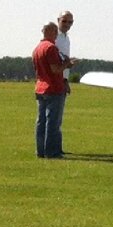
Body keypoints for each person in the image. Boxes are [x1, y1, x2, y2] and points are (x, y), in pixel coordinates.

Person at [32, 21, 69, 158]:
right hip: (53, 88)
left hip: (40, 87)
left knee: (41, 121)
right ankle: (52, 152)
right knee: (53, 122)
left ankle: (40, 150)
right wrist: (67, 64)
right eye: (55, 32)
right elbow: (55, 69)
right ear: (51, 32)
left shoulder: (37, 48)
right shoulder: (51, 48)